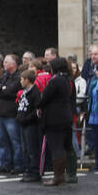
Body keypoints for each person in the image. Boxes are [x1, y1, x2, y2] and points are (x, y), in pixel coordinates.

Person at [38, 56, 75, 187]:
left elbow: (45, 97)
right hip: (65, 116)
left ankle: (57, 177)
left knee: (56, 147)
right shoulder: (67, 79)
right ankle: (62, 175)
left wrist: (39, 105)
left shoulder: (55, 80)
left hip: (54, 118)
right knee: (64, 147)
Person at [16, 68, 42, 182]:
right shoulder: (24, 93)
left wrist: (26, 119)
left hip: (31, 125)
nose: (20, 82)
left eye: (22, 79)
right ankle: (28, 169)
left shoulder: (34, 93)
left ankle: (34, 171)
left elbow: (37, 110)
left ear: (27, 80)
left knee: (32, 149)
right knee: (25, 149)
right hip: (23, 124)